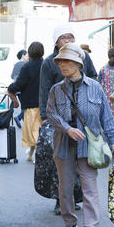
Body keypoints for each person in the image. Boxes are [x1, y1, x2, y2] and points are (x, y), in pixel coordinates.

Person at [47, 43, 114, 227]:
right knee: (65, 188)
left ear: (79, 64)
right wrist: (67, 128)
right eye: (60, 61)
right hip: (63, 145)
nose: (62, 64)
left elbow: (106, 116)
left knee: (90, 187)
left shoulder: (95, 88)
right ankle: (70, 223)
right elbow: (51, 114)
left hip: (90, 146)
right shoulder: (56, 90)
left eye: (67, 61)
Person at [39, 32, 77, 214]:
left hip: (79, 120)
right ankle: (58, 200)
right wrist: (44, 115)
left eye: (71, 38)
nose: (68, 41)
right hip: (57, 120)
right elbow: (44, 88)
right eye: (64, 38)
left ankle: (75, 198)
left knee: (80, 162)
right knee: (59, 162)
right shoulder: (49, 62)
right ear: (56, 41)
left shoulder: (81, 58)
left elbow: (93, 79)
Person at [7, 42, 44, 162]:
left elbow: (19, 83)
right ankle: (31, 155)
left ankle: (37, 157)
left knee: (34, 132)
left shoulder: (27, 67)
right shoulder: (47, 64)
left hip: (31, 104)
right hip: (46, 104)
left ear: (30, 52)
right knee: (40, 130)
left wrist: (10, 89)